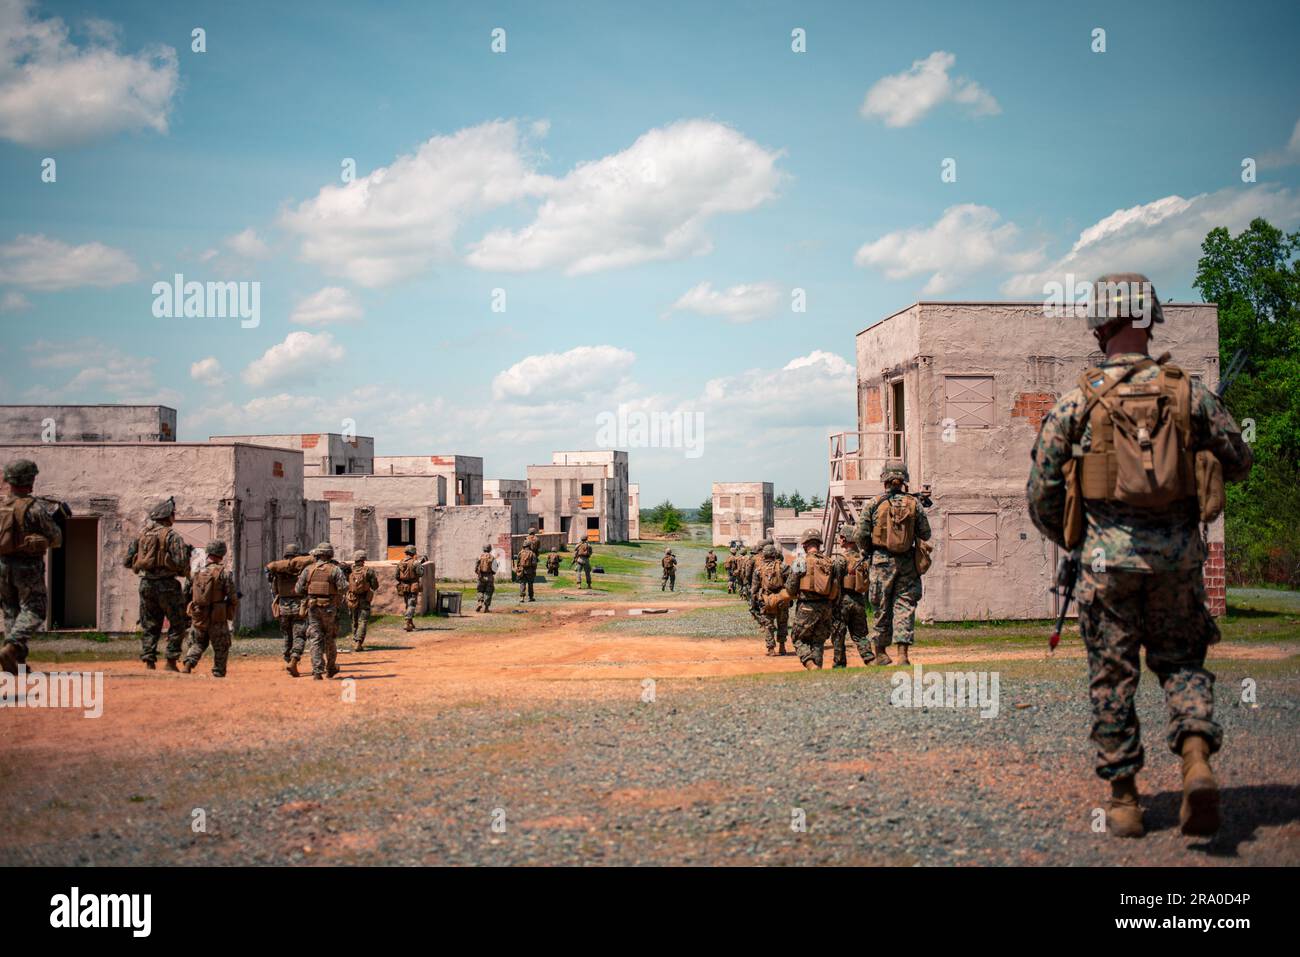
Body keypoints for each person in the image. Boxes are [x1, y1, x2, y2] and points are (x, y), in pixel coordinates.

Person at [1026, 272, 1253, 839]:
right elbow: (1240, 460)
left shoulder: (1077, 402)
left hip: (1105, 567)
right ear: (1149, 318)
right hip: (1177, 563)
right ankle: (1196, 757)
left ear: (1099, 323)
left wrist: (1077, 538)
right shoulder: (1188, 392)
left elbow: (1041, 494)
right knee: (1181, 663)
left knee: (1112, 677)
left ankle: (1125, 799)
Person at [856, 460, 931, 666]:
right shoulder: (914, 504)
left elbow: (861, 534)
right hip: (907, 562)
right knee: (904, 606)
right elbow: (926, 533)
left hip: (881, 561)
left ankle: (880, 653)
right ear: (903, 481)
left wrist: (868, 550)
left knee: (881, 606)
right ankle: (902, 655)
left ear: (885, 480)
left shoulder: (873, 504)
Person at [0, 459, 64, 675]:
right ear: (29, 480)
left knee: (11, 610)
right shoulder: (34, 508)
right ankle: (13, 645)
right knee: (35, 609)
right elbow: (56, 538)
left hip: (2, 565)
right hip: (27, 567)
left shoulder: (2, 506)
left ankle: (16, 662)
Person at [123, 496, 192, 670]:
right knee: (178, 623)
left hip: (146, 584)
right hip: (168, 586)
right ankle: (170, 660)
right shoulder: (172, 536)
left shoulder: (142, 536)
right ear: (167, 516)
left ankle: (149, 661)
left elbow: (127, 561)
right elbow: (182, 563)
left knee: (150, 625)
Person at [784, 528, 845, 670]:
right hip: (826, 608)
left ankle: (810, 664)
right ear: (819, 544)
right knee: (818, 641)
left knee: (798, 638)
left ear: (805, 544)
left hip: (807, 607)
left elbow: (791, 588)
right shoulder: (830, 562)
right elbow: (836, 588)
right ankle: (817, 669)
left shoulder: (800, 562)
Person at [181, 541, 238, 677]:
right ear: (221, 554)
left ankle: (189, 663)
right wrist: (231, 607)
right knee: (221, 645)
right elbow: (232, 596)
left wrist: (188, 611)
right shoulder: (223, 572)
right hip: (217, 615)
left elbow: (186, 593)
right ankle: (218, 671)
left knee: (198, 642)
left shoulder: (196, 571)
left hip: (199, 613)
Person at [296, 542, 348, 680]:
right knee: (330, 637)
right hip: (330, 608)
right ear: (330, 554)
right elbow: (343, 587)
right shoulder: (334, 570)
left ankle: (317, 671)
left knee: (315, 638)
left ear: (318, 554)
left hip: (313, 608)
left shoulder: (308, 569)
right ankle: (330, 668)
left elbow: (298, 589)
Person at [831, 530, 875, 668]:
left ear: (845, 539)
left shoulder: (841, 559)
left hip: (842, 601)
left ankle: (839, 663)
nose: (839, 539)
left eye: (841, 537)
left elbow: (835, 582)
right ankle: (869, 659)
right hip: (859, 601)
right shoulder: (863, 560)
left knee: (838, 634)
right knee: (860, 635)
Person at [267, 543, 312, 676]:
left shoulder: (278, 570)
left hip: (283, 606)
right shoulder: (302, 568)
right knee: (299, 635)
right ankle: (293, 660)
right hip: (299, 606)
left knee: (287, 635)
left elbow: (274, 589)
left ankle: (288, 659)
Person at [752, 543, 790, 656]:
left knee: (768, 624)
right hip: (781, 599)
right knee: (782, 623)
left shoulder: (758, 569)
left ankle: (771, 649)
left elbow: (754, 589)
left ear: (764, 555)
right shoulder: (783, 567)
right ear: (774, 554)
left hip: (766, 599)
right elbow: (790, 583)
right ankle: (782, 647)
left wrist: (754, 603)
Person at [346, 551, 379, 651]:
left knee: (354, 620)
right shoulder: (369, 571)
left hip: (352, 598)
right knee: (363, 620)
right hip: (364, 599)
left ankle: (355, 639)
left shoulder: (349, 570)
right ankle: (358, 642)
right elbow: (375, 585)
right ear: (363, 559)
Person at [395, 545, 424, 631]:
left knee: (408, 604)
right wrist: (421, 566)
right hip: (413, 585)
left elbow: (396, 576)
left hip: (404, 586)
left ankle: (410, 622)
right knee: (412, 604)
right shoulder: (415, 563)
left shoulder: (400, 562)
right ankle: (407, 622)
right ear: (413, 553)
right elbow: (421, 573)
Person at [475, 545, 496, 612]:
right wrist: (491, 573)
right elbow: (495, 568)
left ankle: (480, 603)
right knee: (488, 592)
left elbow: (476, 567)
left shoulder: (479, 556)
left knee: (480, 590)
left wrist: (478, 574)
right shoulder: (492, 557)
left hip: (481, 576)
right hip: (489, 576)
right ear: (490, 549)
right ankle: (486, 608)